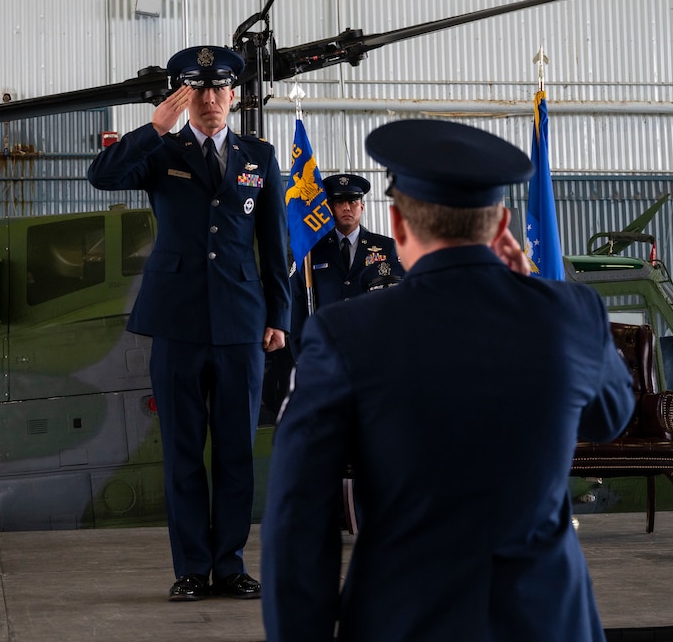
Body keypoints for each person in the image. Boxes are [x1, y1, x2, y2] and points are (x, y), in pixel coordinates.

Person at [261, 118, 635, 641]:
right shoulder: (573, 314)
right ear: (501, 224)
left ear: (398, 224)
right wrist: (534, 291)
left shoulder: (344, 335)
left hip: (402, 621)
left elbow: (296, 516)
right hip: (547, 621)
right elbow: (611, 417)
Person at [87, 45, 289, 603]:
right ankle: (192, 569)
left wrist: (279, 315)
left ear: (234, 95)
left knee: (236, 451)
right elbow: (102, 176)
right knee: (181, 451)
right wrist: (154, 128)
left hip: (241, 323)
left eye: (220, 88)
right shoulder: (161, 150)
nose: (210, 99)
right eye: (198, 90)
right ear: (182, 97)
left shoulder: (259, 157)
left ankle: (230, 566)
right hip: (176, 321)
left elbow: (275, 243)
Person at [289, 173, 404, 353]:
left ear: (362, 207)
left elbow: (401, 301)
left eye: (352, 201)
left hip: (376, 349)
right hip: (327, 351)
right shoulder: (311, 252)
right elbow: (297, 305)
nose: (346, 208)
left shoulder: (387, 247)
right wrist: (301, 357)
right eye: (339, 202)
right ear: (329, 207)